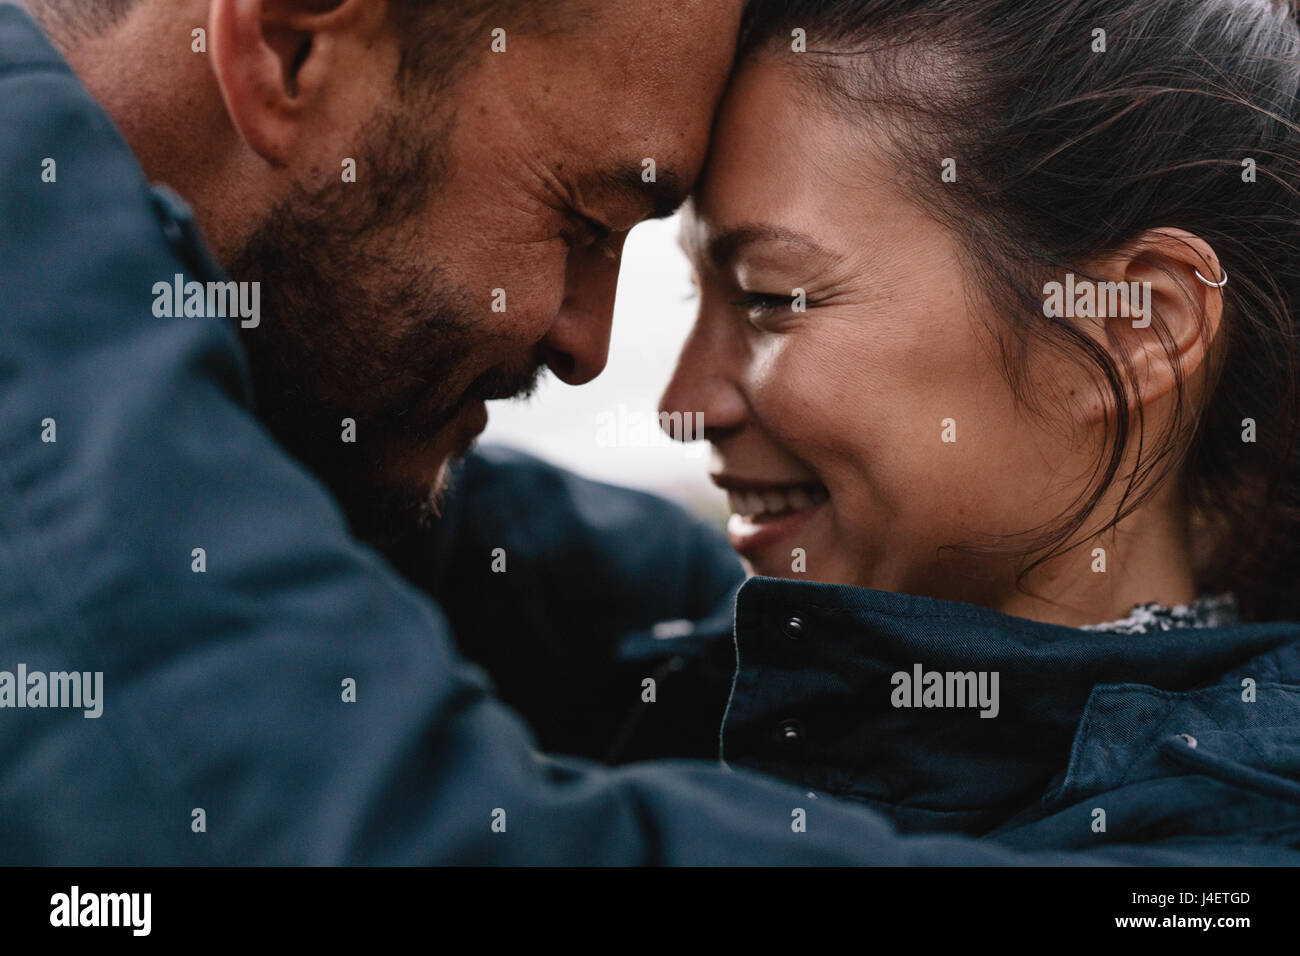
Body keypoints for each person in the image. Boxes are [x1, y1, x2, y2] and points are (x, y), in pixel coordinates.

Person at [1, 0, 1296, 867]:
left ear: (1134, 327)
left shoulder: (1214, 854)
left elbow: (371, 823)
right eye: (591, 228)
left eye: (779, 298)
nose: (663, 390)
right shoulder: (702, 664)